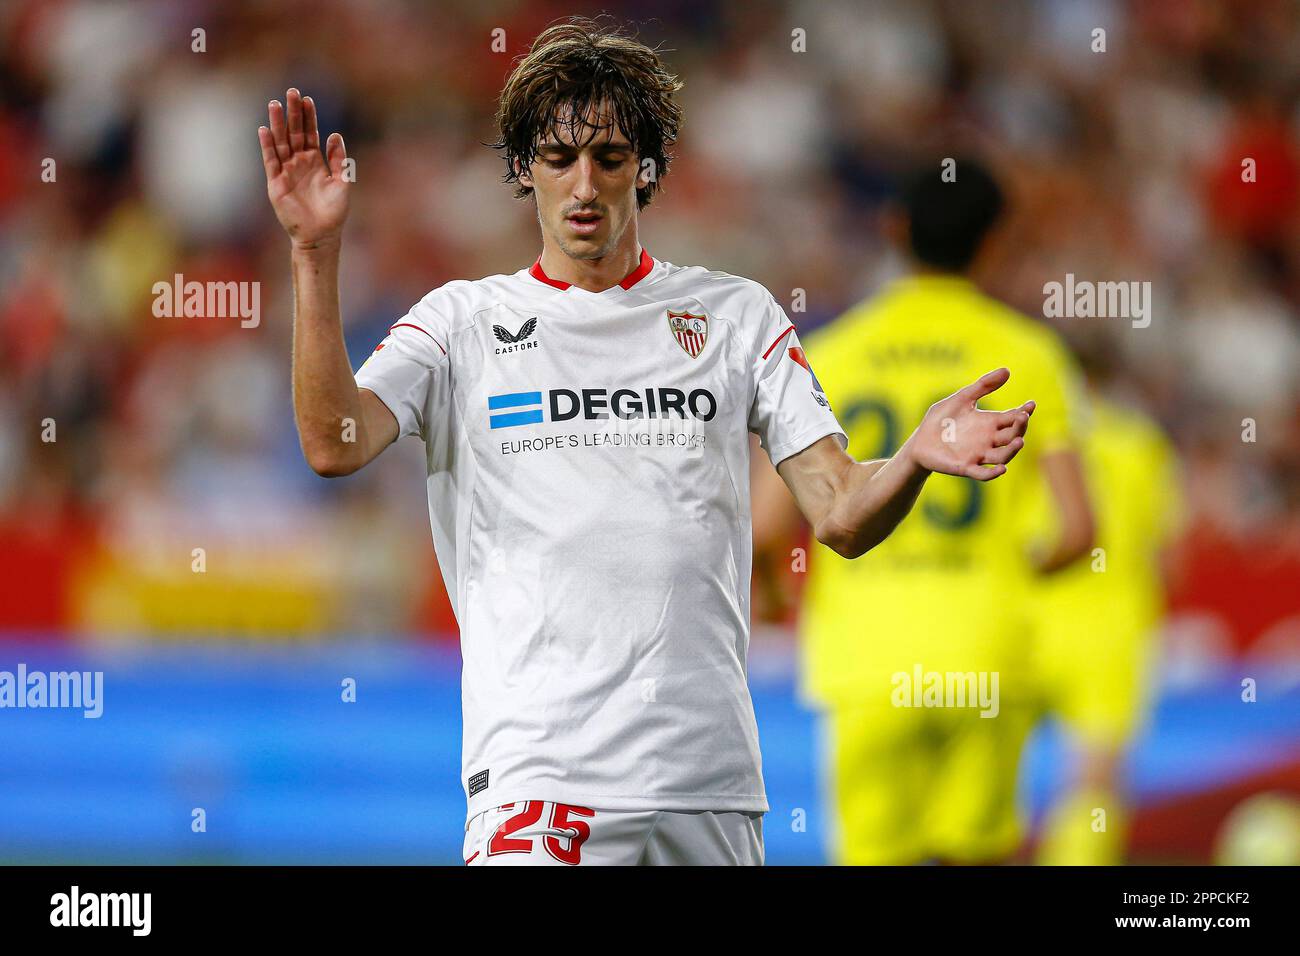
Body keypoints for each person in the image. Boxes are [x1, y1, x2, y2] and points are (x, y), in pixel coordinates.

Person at [258, 20, 1035, 866]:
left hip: (709, 783)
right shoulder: (461, 323)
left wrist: (914, 456)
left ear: (649, 169)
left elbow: (841, 513)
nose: (584, 184)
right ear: (522, 170)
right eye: (558, 158)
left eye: (611, 158)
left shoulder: (737, 317)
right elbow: (334, 444)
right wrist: (314, 251)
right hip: (542, 778)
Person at [753, 160, 1094, 864]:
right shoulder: (1029, 354)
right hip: (986, 654)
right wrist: (1008, 573)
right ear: (995, 240)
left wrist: (781, 595)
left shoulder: (832, 352)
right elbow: (1077, 531)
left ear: (894, 228)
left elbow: (763, 528)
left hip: (866, 658)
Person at [1029, 343, 1185, 866]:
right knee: (1095, 778)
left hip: (1029, 623)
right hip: (1113, 629)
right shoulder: (1140, 442)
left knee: (993, 766)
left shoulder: (1027, 438)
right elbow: (1170, 557)